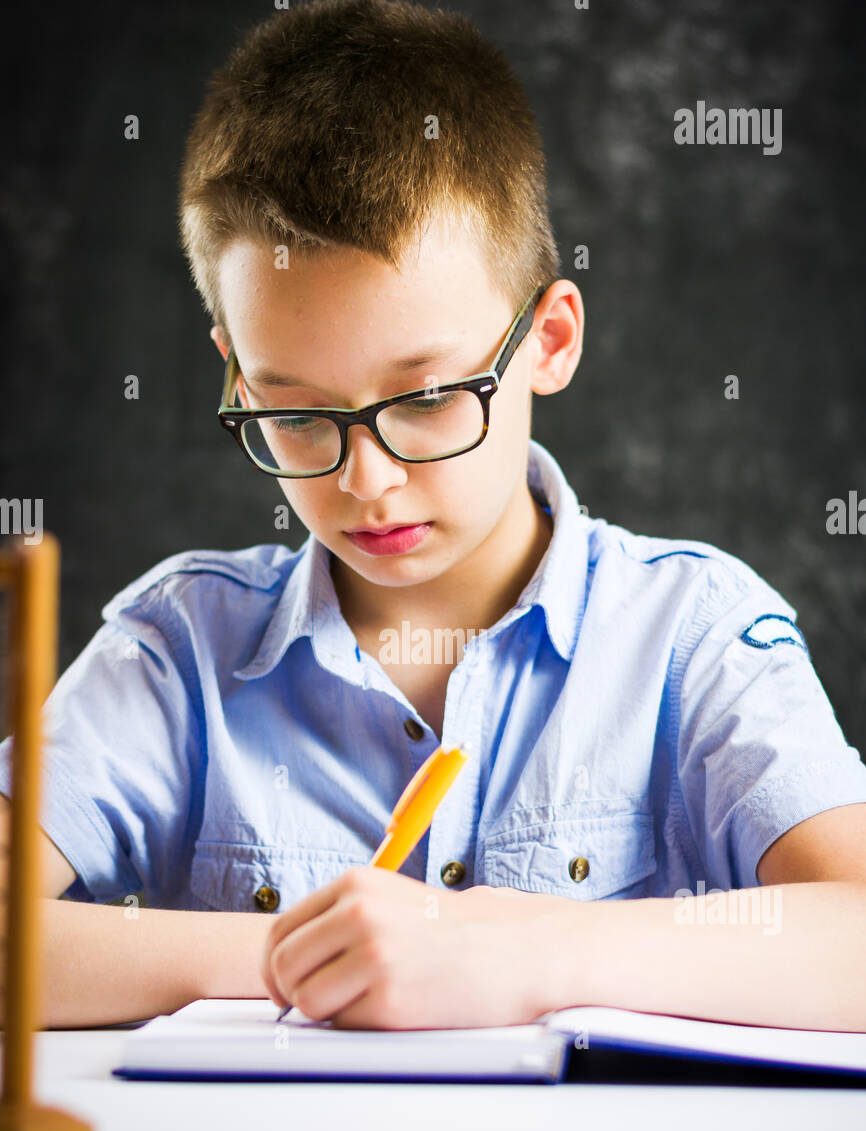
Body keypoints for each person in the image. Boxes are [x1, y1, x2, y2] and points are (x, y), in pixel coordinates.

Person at [1, 0, 864, 1031]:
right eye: (294, 413)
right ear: (234, 374)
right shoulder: (181, 650)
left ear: (545, 339)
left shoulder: (690, 632)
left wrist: (516, 948)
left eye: (423, 398)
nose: (365, 480)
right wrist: (308, 950)